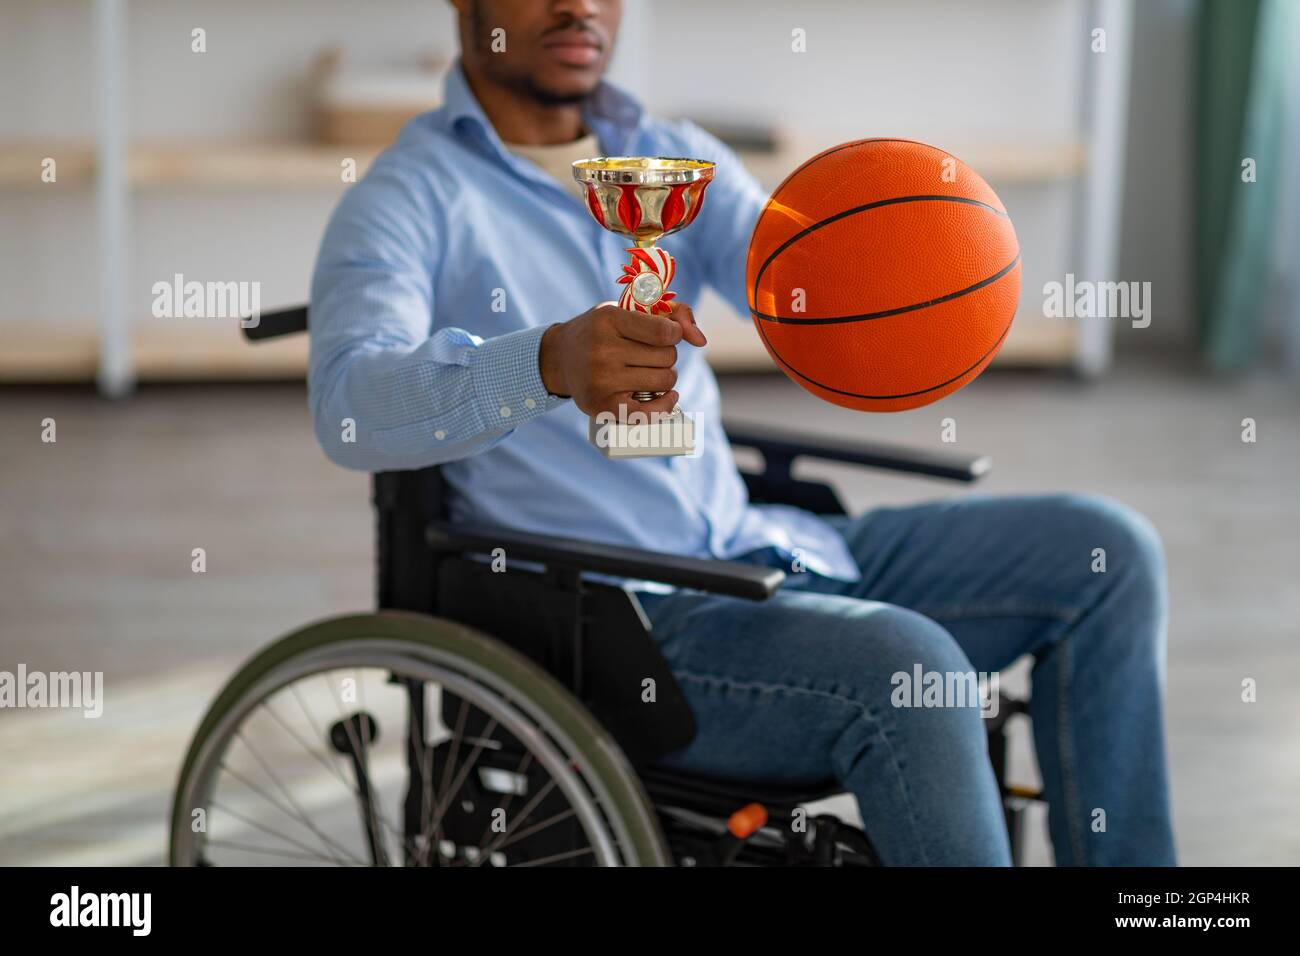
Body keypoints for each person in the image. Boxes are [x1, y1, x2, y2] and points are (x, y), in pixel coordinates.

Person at [309, 0, 1176, 866]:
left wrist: (913, 266)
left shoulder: (669, 154)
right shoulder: (406, 197)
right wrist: (542, 363)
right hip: (622, 629)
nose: (579, 5)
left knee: (1106, 551)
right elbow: (349, 403)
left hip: (760, 548)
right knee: (910, 668)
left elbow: (800, 276)